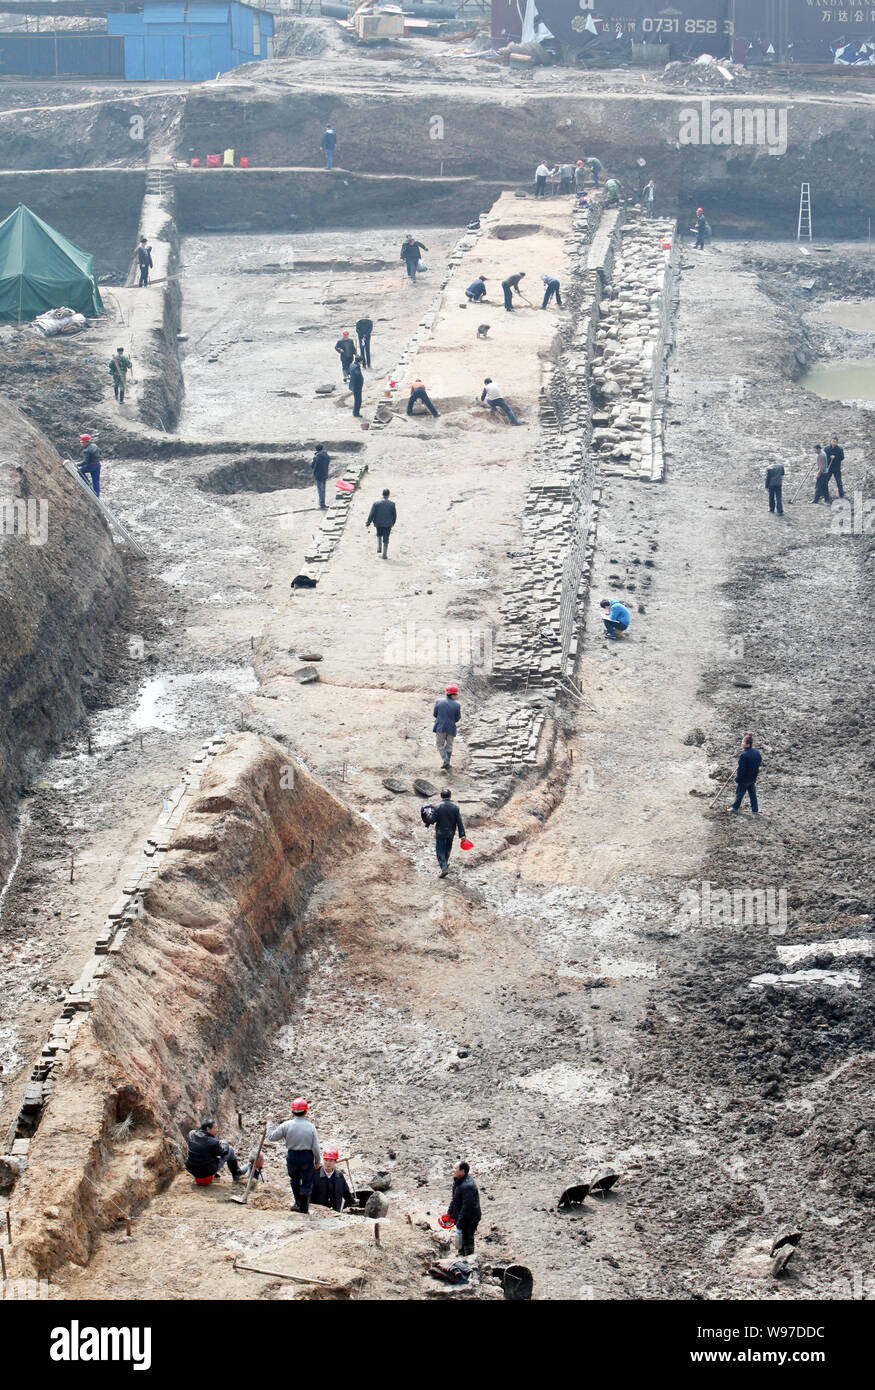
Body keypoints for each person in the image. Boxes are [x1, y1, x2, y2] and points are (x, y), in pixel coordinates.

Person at [266, 1098, 322, 1213]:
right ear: (306, 1112)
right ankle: (304, 1207)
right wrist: (317, 1161)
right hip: (307, 1157)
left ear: (292, 1112)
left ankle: (297, 1203)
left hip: (292, 1156)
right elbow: (315, 1147)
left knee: (294, 1180)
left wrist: (269, 1122)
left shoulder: (286, 1125)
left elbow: (271, 1137)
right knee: (306, 1182)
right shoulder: (311, 1127)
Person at [185, 1118, 241, 1183]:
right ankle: (236, 1174)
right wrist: (225, 1142)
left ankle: (214, 1173)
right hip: (206, 1173)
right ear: (208, 1129)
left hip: (192, 1169)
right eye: (215, 1128)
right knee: (230, 1150)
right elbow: (224, 1152)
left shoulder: (192, 1135)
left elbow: (193, 1133)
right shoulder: (213, 1142)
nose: (217, 1130)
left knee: (205, 1153)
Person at [447, 1161, 481, 1256]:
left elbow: (467, 1207)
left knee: (468, 1238)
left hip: (470, 1218)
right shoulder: (458, 1181)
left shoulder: (468, 1186)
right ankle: (461, 1255)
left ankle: (469, 1259)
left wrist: (459, 1223)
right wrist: (450, 1212)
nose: (453, 1171)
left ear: (463, 1171)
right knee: (461, 1238)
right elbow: (455, 1199)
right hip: (462, 1216)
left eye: (455, 1169)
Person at [432, 787, 466, 879]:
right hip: (451, 831)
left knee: (440, 849)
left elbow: (433, 820)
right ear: (450, 796)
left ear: (441, 796)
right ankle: (445, 865)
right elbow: (459, 821)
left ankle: (444, 868)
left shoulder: (437, 806)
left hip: (440, 831)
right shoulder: (455, 807)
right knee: (448, 848)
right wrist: (462, 834)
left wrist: (427, 816)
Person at [731, 732, 762, 816]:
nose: (741, 743)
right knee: (753, 795)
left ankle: (734, 808)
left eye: (742, 742)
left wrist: (738, 778)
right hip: (752, 778)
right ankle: (755, 810)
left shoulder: (744, 755)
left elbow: (741, 769)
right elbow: (759, 763)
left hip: (744, 779)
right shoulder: (756, 752)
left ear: (747, 744)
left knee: (739, 794)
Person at [433, 684, 461, 770]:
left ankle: (445, 761)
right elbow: (457, 718)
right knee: (449, 745)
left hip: (440, 727)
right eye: (456, 694)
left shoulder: (438, 701)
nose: (456, 696)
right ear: (453, 695)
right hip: (451, 728)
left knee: (439, 744)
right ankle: (447, 763)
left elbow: (435, 714)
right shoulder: (457, 705)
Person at [366, 487, 396, 558]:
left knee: (379, 534)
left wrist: (368, 522)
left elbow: (372, 514)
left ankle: (379, 548)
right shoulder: (392, 504)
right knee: (386, 538)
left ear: (382, 494)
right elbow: (394, 515)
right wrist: (393, 523)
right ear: (388, 495)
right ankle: (384, 554)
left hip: (378, 523)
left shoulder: (376, 503)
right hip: (388, 524)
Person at [311, 443, 329, 509]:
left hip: (318, 476)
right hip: (324, 474)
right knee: (323, 490)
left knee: (320, 491)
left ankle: (321, 505)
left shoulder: (317, 457)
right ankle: (323, 504)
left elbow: (312, 466)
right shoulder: (326, 455)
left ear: (316, 449)